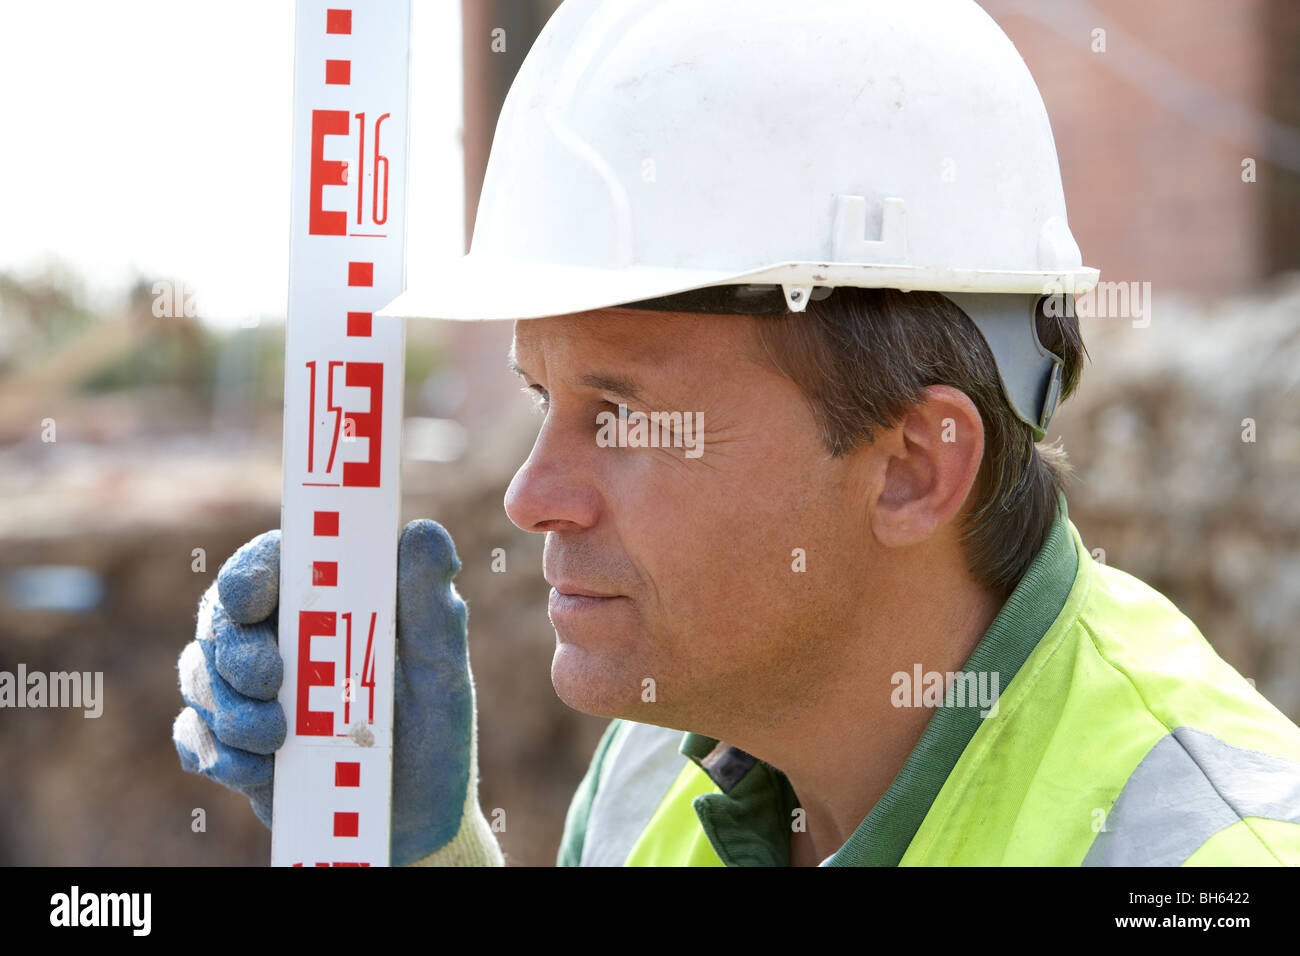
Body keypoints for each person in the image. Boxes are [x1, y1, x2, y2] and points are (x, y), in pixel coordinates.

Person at [175, 0, 1300, 866]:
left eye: (620, 414)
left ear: (911, 467)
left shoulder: (1199, 853)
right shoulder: (655, 769)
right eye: (539, 399)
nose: (531, 495)